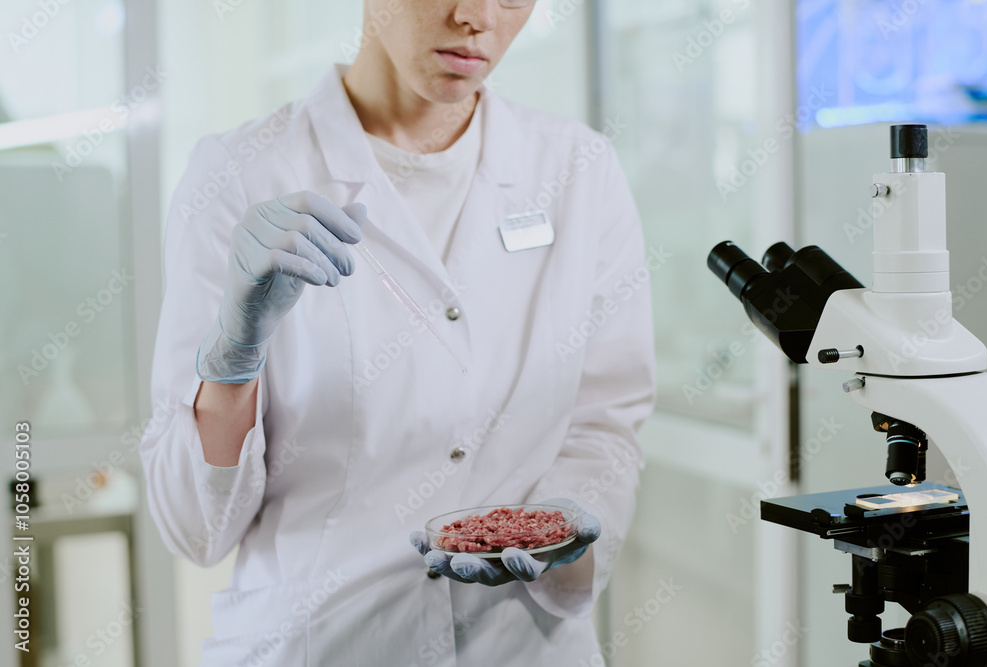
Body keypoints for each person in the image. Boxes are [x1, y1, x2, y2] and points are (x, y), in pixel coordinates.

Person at [139, 0, 655, 664]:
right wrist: (233, 358)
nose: (477, 16)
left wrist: (550, 534)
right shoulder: (242, 173)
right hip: (319, 645)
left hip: (525, 646)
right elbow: (193, 528)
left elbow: (605, 422)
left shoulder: (578, 169)